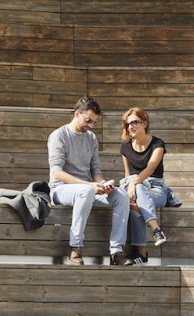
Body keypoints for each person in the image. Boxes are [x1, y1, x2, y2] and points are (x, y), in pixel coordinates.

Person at [47, 96, 132, 266]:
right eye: (88, 121)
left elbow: (96, 170)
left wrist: (102, 184)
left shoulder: (91, 138)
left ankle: (116, 252)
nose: (91, 125)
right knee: (85, 191)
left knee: (121, 195)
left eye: (94, 122)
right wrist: (90, 186)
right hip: (61, 189)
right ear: (77, 113)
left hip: (87, 190)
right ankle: (75, 249)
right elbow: (57, 173)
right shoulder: (59, 136)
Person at [119, 106, 172, 263]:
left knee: (137, 194)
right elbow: (127, 174)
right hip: (135, 187)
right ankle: (155, 231)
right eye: (128, 124)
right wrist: (131, 186)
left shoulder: (158, 144)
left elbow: (150, 168)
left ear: (144, 123)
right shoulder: (125, 147)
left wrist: (133, 184)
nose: (131, 127)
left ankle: (142, 251)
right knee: (135, 199)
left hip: (156, 189)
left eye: (135, 122)